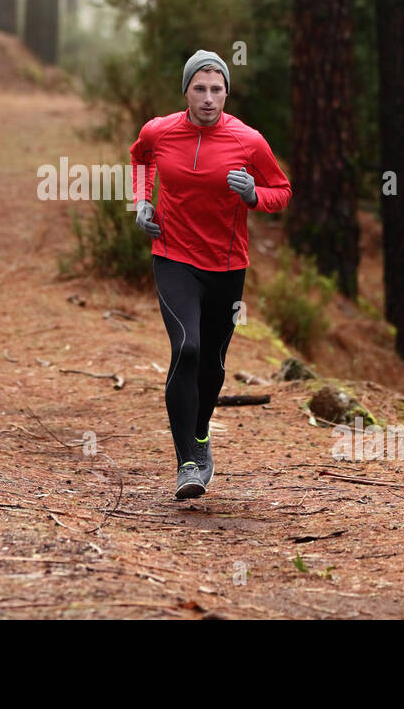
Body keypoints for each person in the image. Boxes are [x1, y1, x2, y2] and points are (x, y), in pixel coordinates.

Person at [129, 49, 292, 500]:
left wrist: (255, 194)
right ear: (186, 91)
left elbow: (283, 189)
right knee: (187, 346)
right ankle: (187, 463)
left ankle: (200, 432)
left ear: (226, 93)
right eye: (199, 88)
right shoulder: (159, 131)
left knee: (213, 365)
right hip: (173, 255)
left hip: (225, 265)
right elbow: (140, 157)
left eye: (216, 89)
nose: (207, 98)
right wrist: (143, 200)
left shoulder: (248, 140)